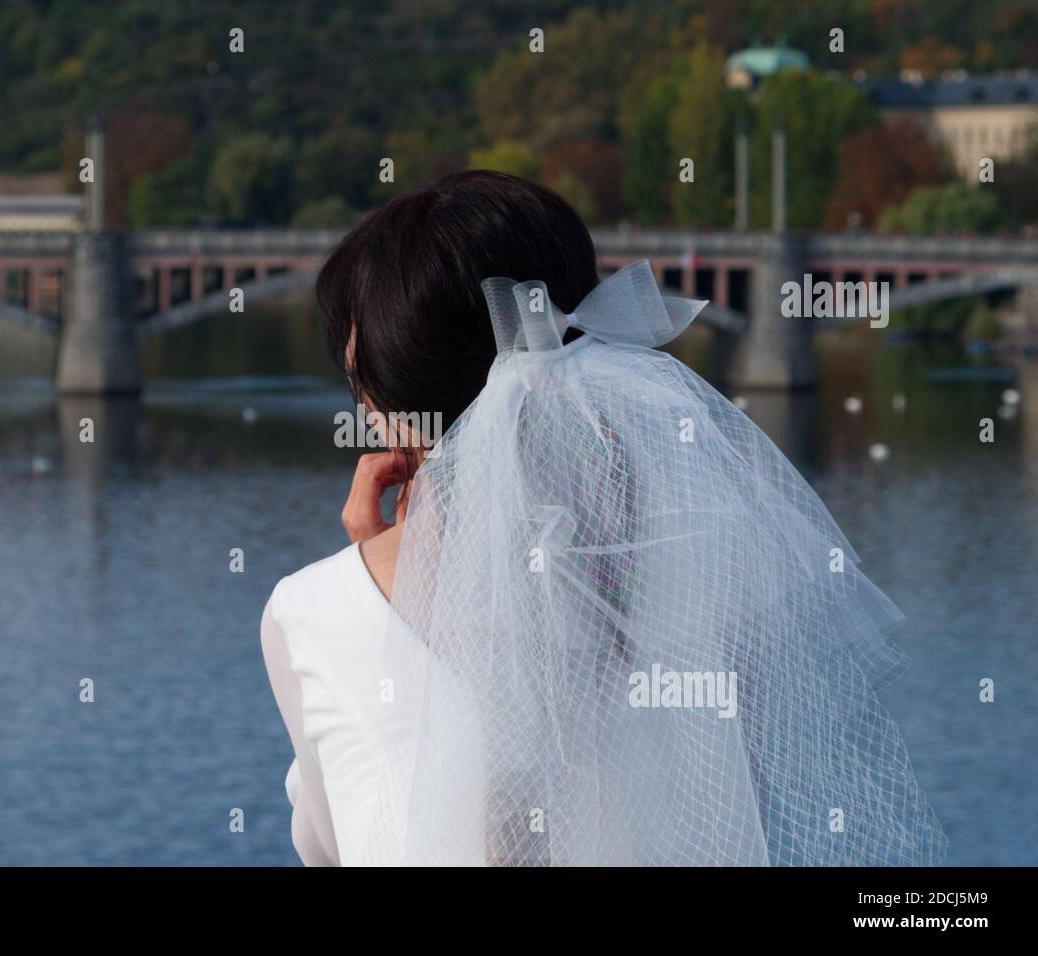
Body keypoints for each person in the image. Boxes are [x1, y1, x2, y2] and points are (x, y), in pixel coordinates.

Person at [261, 170, 946, 867]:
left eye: (357, 378)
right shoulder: (711, 571)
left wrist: (374, 576)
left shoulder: (312, 613)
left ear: (390, 407)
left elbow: (333, 844)